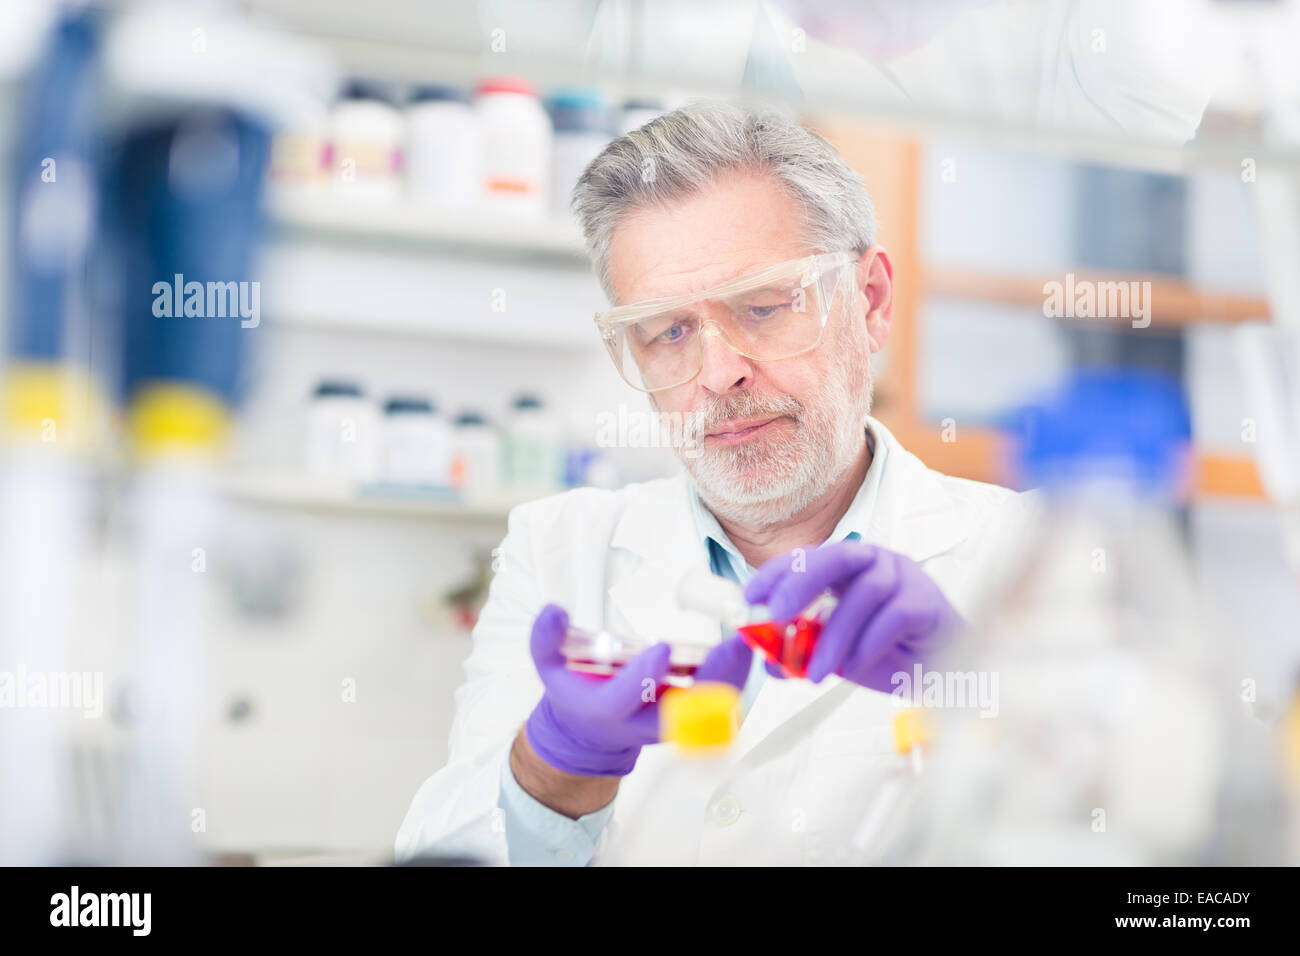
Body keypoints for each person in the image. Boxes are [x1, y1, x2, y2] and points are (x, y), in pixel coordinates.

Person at [396, 101, 1036, 866]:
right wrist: (554, 768)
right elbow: (440, 854)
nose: (717, 372)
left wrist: (978, 694)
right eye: (667, 332)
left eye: (763, 308)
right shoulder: (559, 548)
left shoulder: (1028, 555)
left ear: (869, 302)